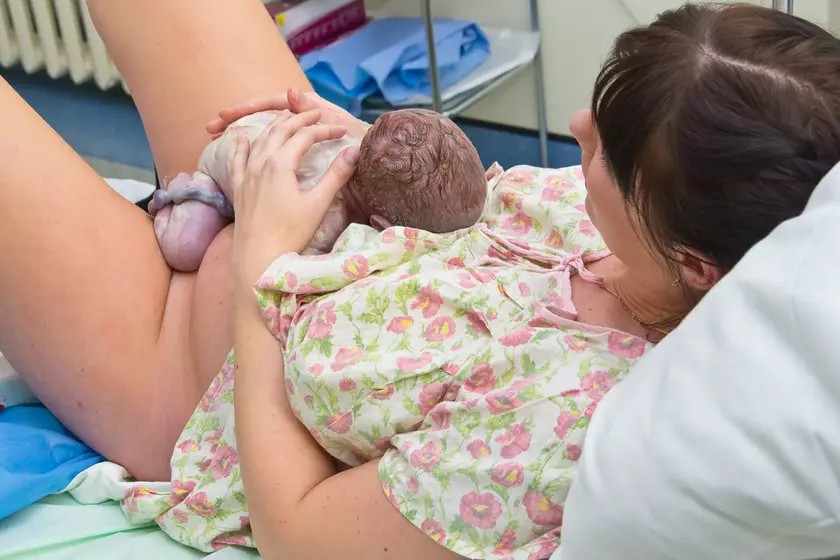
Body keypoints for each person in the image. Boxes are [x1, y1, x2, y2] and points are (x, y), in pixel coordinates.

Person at [1, 1, 839, 559]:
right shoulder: (633, 231)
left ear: (698, 264)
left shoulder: (553, 439)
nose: (576, 128)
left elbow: (298, 535)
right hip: (298, 203)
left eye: (602, 153)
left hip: (190, 373)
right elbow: (466, 217)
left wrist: (263, 267)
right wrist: (365, 154)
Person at [150, 105, 487, 270]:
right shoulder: (324, 223)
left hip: (272, 126)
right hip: (232, 154)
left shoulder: (359, 139)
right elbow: (277, 274)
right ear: (382, 226)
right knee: (186, 249)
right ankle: (183, 192)